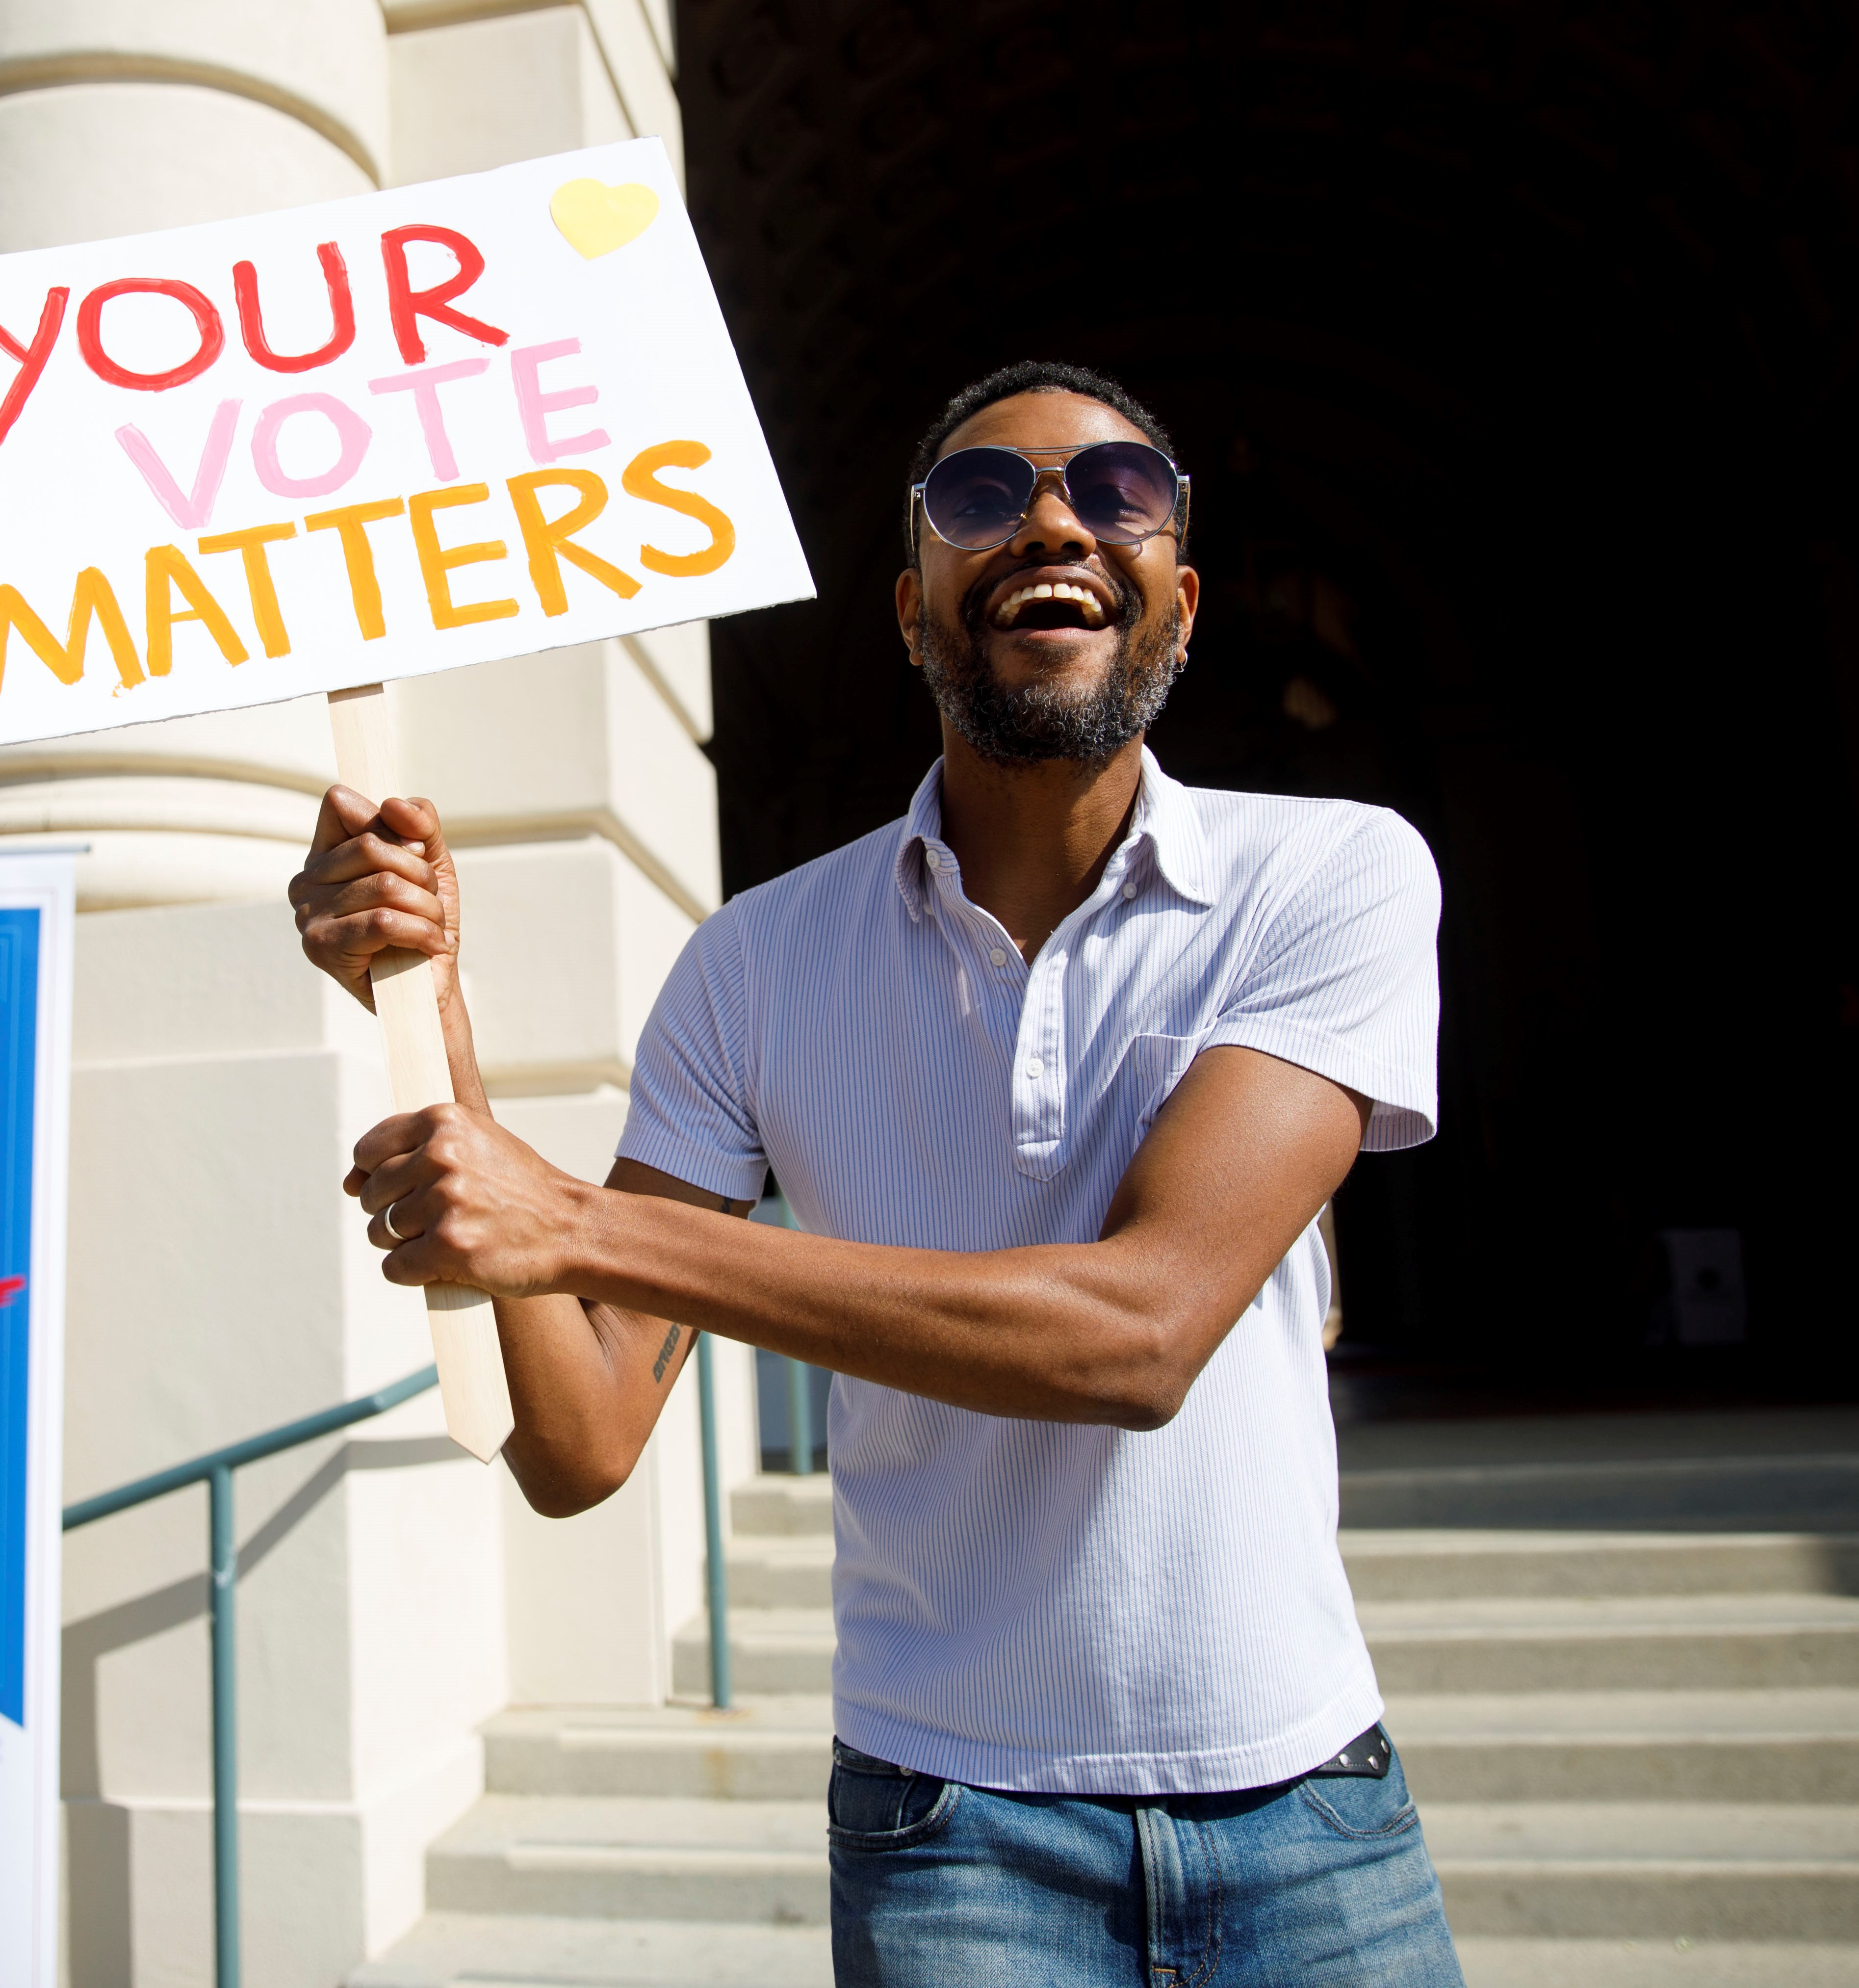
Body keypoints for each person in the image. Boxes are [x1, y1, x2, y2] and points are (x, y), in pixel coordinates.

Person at [288, 359, 1462, 1985]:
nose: (1050, 515)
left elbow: (1138, 1335)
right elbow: (581, 1439)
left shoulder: (1329, 873)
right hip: (948, 1837)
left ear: (1177, 607)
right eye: (979, 498)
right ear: (912, 616)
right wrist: (436, 1023)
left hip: (1304, 1814)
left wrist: (570, 1219)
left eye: (1112, 491)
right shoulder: (756, 961)